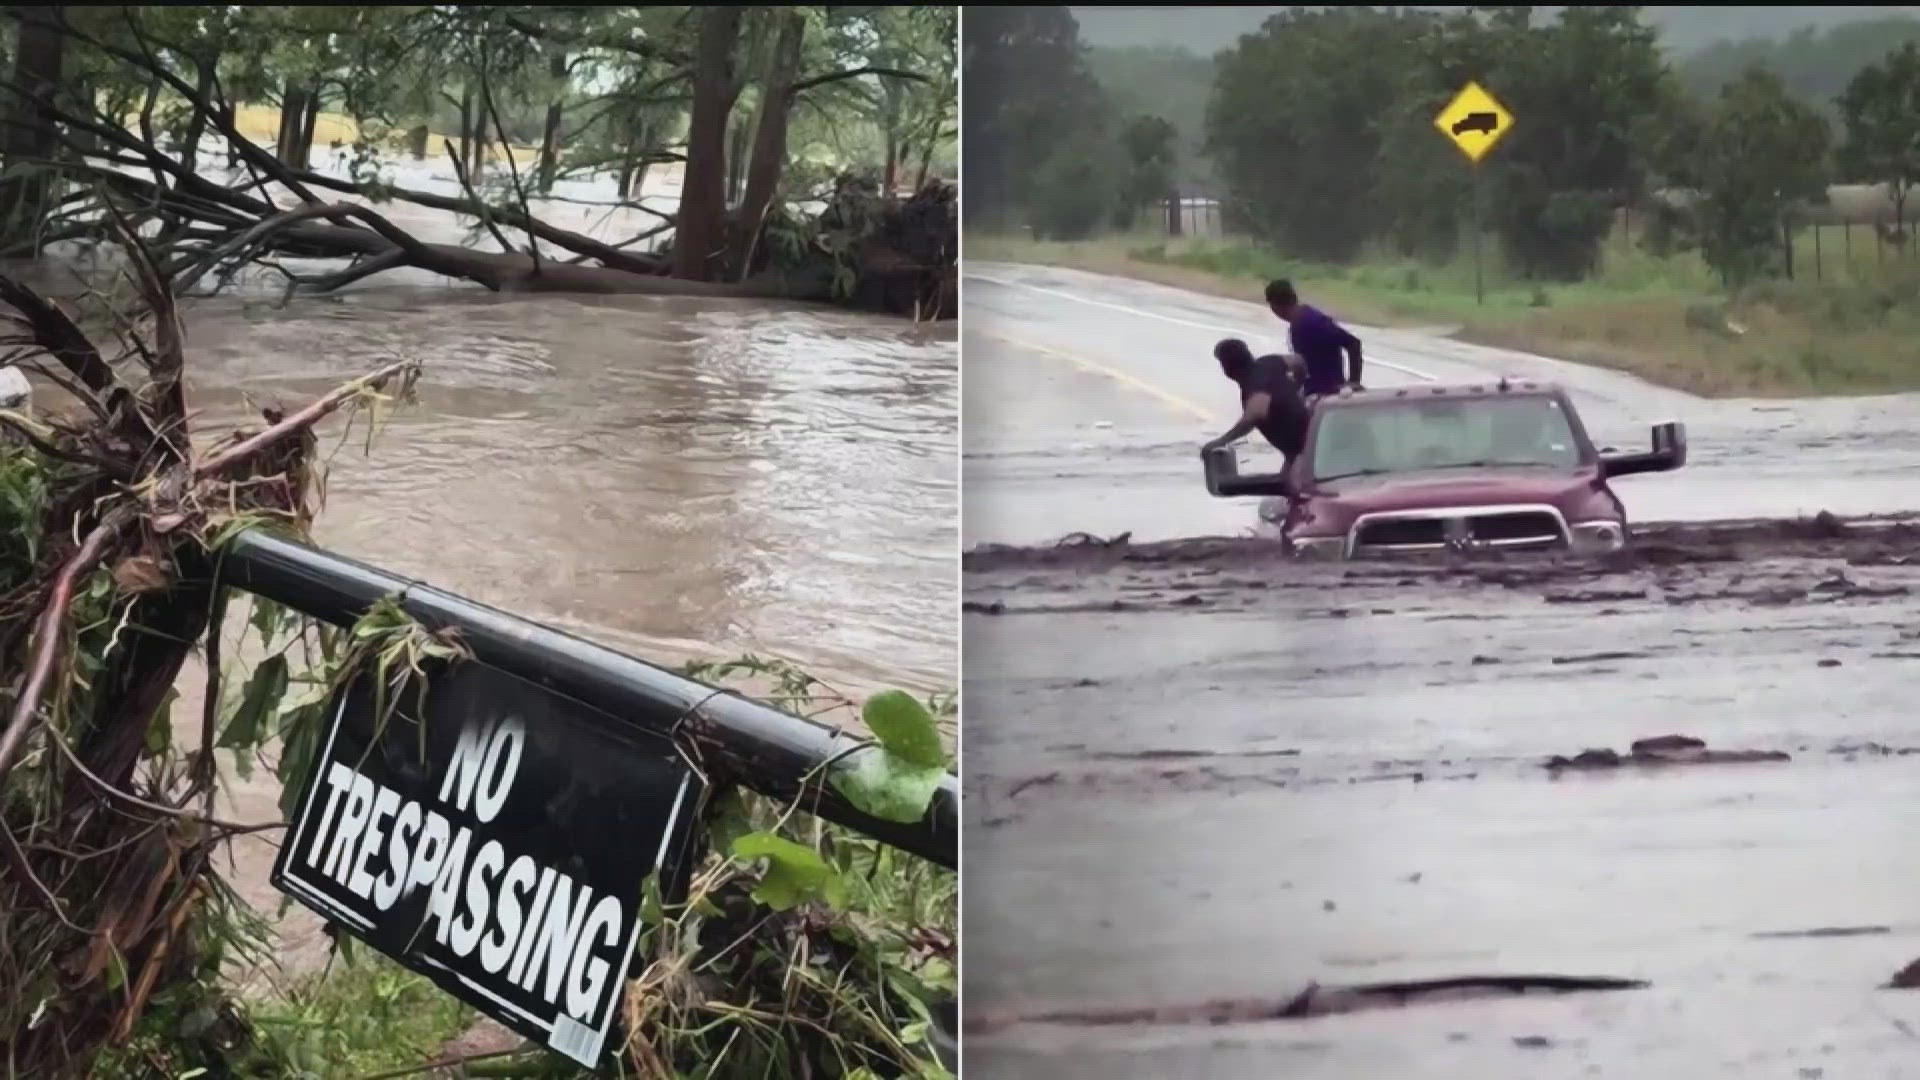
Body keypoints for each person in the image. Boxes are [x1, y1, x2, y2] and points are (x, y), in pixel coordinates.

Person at [1201, 338, 1310, 469]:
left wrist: (1220, 442)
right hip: (1303, 445)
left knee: (1292, 483)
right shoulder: (1269, 363)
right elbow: (1298, 361)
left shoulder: (1254, 382)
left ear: (1227, 367)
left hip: (1303, 453)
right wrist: (1297, 385)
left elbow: (1256, 413)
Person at [1266, 279, 1363, 398]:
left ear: (1274, 306)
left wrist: (1353, 382)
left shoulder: (1313, 322)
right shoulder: (1298, 324)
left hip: (1328, 394)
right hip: (1313, 394)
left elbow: (1353, 343)